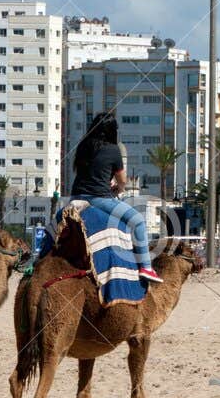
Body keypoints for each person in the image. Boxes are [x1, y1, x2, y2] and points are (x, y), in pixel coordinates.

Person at [65, 111, 160, 284]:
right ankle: (146, 266)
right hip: (99, 198)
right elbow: (122, 180)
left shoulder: (83, 146)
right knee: (138, 221)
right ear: (112, 131)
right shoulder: (113, 149)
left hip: (76, 195)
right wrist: (118, 188)